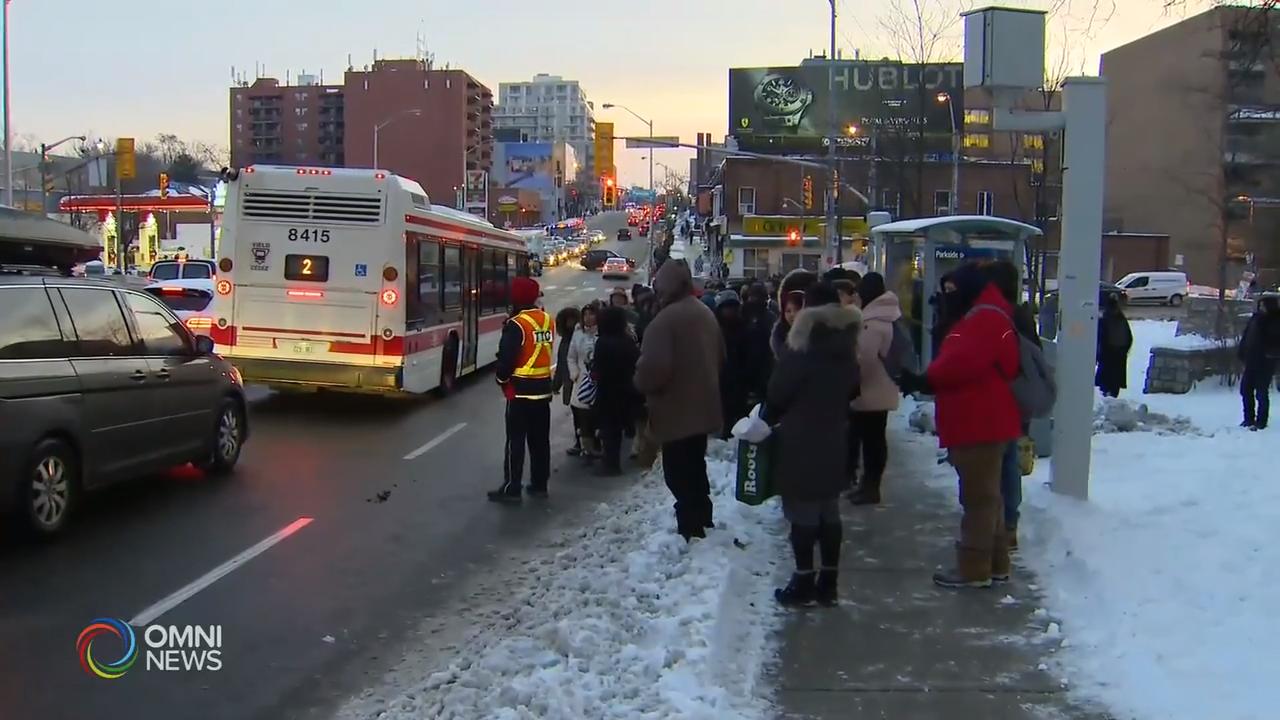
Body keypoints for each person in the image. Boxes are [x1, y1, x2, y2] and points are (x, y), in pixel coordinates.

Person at [902, 263, 1020, 588]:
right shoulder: (988, 315)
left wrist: (924, 379)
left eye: (952, 290)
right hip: (986, 419)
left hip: (977, 422)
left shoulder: (981, 319)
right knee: (989, 497)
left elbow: (959, 361)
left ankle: (974, 568)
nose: (947, 297)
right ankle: (995, 563)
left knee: (978, 499)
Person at [762, 281, 861, 606]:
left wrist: (764, 418)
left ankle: (803, 580)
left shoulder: (802, 346)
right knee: (829, 511)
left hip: (801, 439)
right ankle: (829, 582)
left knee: (802, 512)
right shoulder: (846, 346)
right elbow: (853, 389)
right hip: (835, 435)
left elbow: (778, 392)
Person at [634, 260, 724, 541]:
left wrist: (639, 381)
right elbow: (721, 356)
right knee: (696, 467)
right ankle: (703, 517)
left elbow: (653, 371)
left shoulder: (665, 321)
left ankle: (690, 526)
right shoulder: (704, 312)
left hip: (676, 412)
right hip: (704, 407)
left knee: (678, 472)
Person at [983, 260, 1043, 550]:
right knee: (1010, 462)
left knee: (999, 462)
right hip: (1020, 400)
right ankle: (1009, 523)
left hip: (1001, 398)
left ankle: (1001, 522)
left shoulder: (999, 316)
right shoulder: (1021, 315)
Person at [488, 276, 554, 503]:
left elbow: (506, 359)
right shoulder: (547, 319)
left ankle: (512, 487)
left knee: (515, 441)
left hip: (520, 392)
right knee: (540, 441)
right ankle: (539, 484)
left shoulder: (516, 324)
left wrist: (501, 379)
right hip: (543, 390)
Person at [847, 272, 901, 506]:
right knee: (874, 440)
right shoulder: (886, 317)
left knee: (871, 442)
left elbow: (863, 359)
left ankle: (870, 487)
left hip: (870, 390)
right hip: (881, 389)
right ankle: (868, 486)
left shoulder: (872, 322)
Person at [592, 305, 642, 475]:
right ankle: (614, 460)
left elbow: (597, 368)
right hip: (626, 388)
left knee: (609, 428)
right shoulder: (627, 341)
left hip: (607, 390)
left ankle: (610, 463)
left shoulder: (602, 342)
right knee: (618, 427)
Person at [1238, 294, 1280, 430]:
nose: (1261, 308)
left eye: (1263, 305)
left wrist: (1271, 353)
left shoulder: (1275, 321)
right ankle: (1248, 419)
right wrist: (1242, 351)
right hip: (1251, 360)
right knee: (1245, 390)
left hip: (1265, 362)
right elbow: (1246, 335)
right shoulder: (1255, 318)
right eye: (1260, 305)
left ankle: (1261, 421)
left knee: (1261, 392)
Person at [715, 289, 751, 438]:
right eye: (727, 308)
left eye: (733, 307)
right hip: (722, 381)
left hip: (740, 382)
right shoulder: (716, 330)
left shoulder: (746, 329)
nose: (730, 311)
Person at [567, 303, 600, 457]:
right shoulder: (578, 334)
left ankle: (597, 444)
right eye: (585, 314)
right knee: (580, 413)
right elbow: (571, 357)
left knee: (596, 414)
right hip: (581, 380)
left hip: (598, 381)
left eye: (591, 314)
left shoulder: (602, 333)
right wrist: (574, 373)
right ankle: (583, 445)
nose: (588, 318)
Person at [553, 306, 582, 453]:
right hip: (572, 383)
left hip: (580, 382)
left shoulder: (578, 338)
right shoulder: (566, 340)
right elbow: (561, 365)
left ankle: (583, 442)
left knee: (582, 414)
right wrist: (555, 385)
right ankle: (581, 441)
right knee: (578, 413)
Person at [1095, 293, 1133, 399]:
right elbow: (1129, 337)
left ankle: (1106, 396)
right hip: (1120, 354)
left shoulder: (1105, 319)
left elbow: (1100, 338)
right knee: (1115, 380)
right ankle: (1111, 395)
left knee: (1106, 379)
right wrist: (1124, 350)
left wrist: (1098, 355)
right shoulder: (1121, 318)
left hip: (1108, 353)